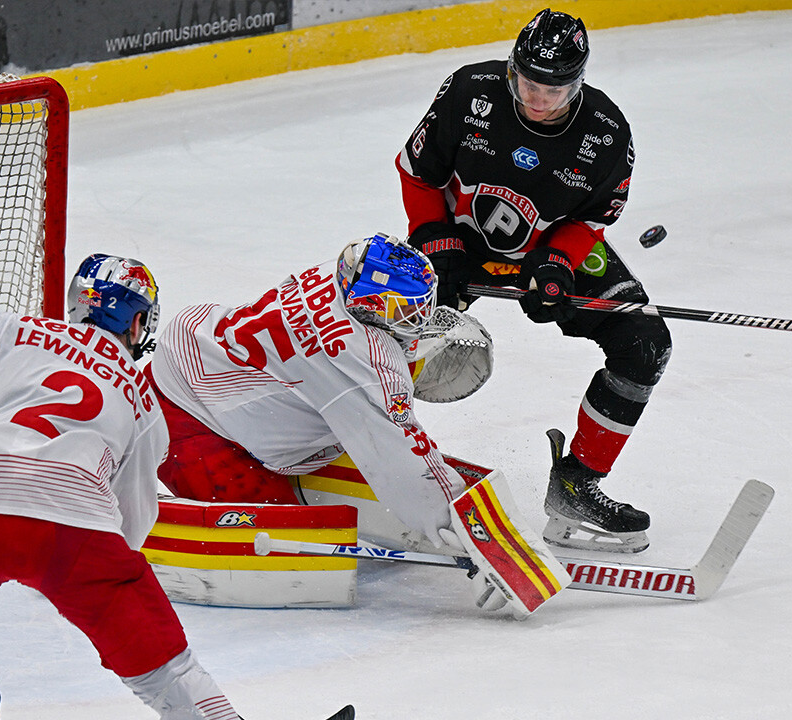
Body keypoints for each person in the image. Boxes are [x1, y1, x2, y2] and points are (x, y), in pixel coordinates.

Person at [0, 255, 256, 720]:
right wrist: (86, 586)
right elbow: (132, 524)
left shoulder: (13, 331)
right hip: (75, 540)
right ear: (137, 323)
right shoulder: (144, 404)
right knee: (166, 668)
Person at [147, 233, 565, 617]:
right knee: (295, 552)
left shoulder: (340, 275)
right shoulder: (360, 361)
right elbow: (403, 460)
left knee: (351, 425)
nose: (418, 320)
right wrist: (472, 541)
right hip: (188, 423)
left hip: (199, 349)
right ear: (371, 304)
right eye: (407, 311)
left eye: (423, 306)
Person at [396, 8, 669, 553]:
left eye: (555, 89)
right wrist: (434, 239)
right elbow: (417, 173)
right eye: (528, 83)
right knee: (375, 332)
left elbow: (591, 220)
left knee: (644, 344)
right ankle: (339, 450)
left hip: (546, 251)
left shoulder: (607, 133)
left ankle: (576, 485)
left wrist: (559, 262)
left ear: (579, 82)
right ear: (512, 69)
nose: (539, 99)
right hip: (454, 240)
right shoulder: (469, 91)